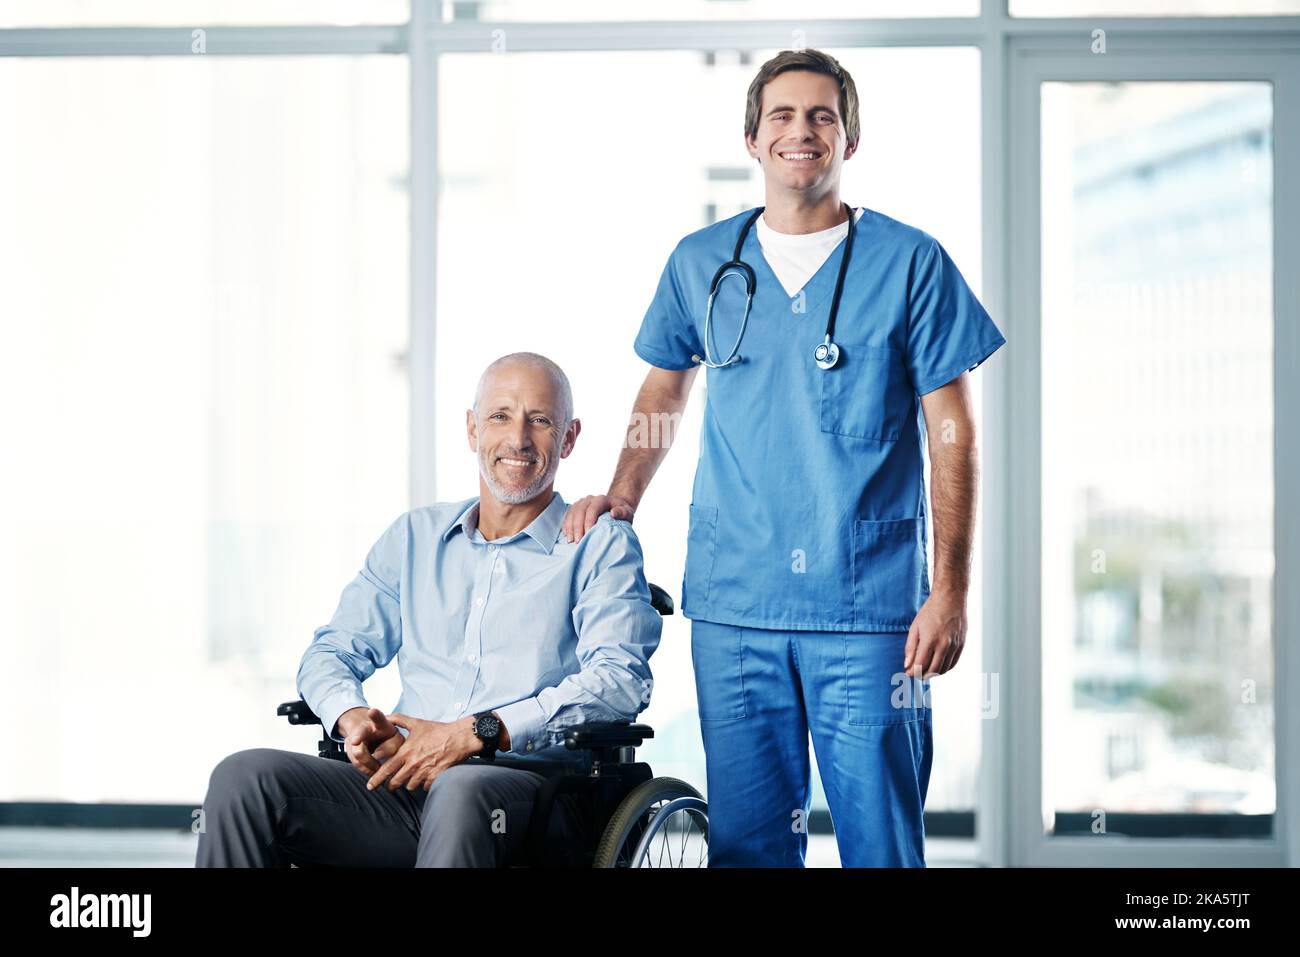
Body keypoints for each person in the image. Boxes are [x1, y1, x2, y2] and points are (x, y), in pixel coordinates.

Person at [562, 49, 1006, 867]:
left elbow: (954, 433)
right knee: (749, 848)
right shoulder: (701, 262)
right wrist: (621, 494)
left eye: (823, 116)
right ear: (752, 137)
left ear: (850, 140)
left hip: (870, 611)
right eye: (784, 116)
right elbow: (665, 391)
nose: (803, 131)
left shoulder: (911, 263)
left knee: (883, 846)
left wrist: (949, 591)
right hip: (737, 605)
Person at [196, 352, 662, 867]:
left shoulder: (599, 546)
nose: (519, 439)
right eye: (500, 416)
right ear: (471, 429)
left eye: (540, 420)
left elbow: (619, 680)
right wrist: (350, 717)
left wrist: (478, 732)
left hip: (527, 790)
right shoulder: (414, 537)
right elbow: (330, 652)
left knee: (461, 790)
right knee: (243, 779)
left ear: (569, 438)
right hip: (403, 783)